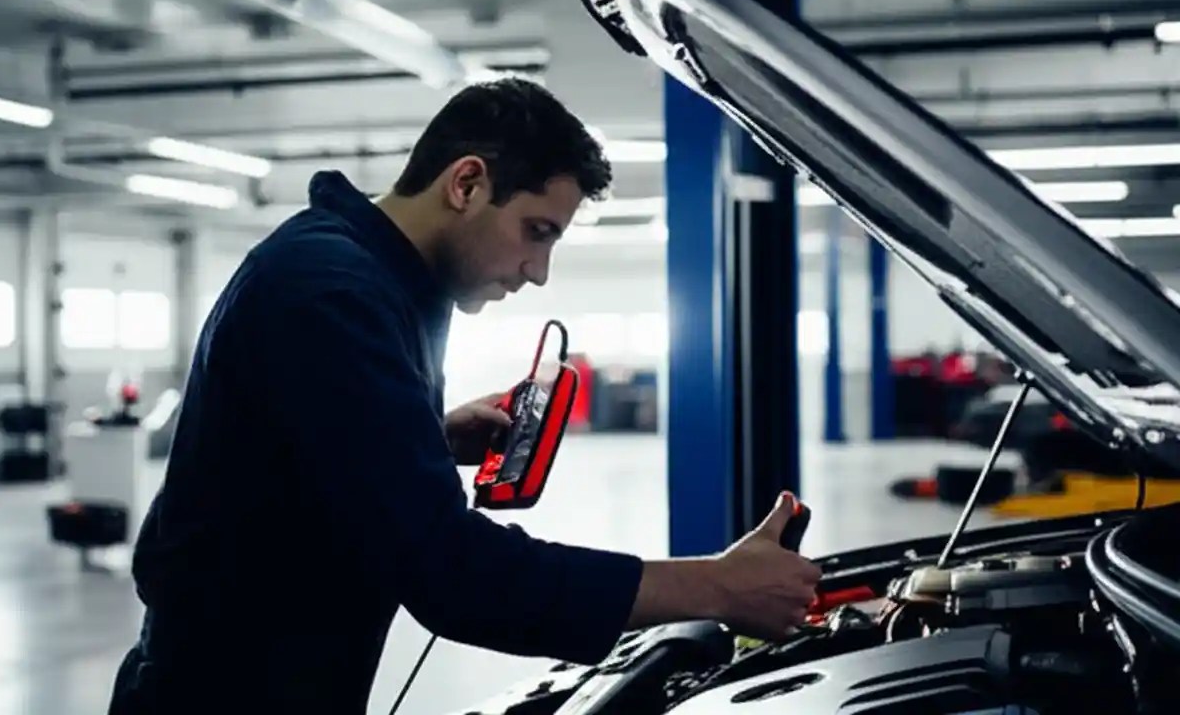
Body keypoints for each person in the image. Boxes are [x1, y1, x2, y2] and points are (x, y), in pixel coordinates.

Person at [108, 77, 821, 714]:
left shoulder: (392, 283)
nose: (537, 271)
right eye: (536, 233)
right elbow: (454, 574)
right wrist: (714, 587)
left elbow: (298, 454)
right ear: (467, 183)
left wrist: (422, 437)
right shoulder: (327, 291)